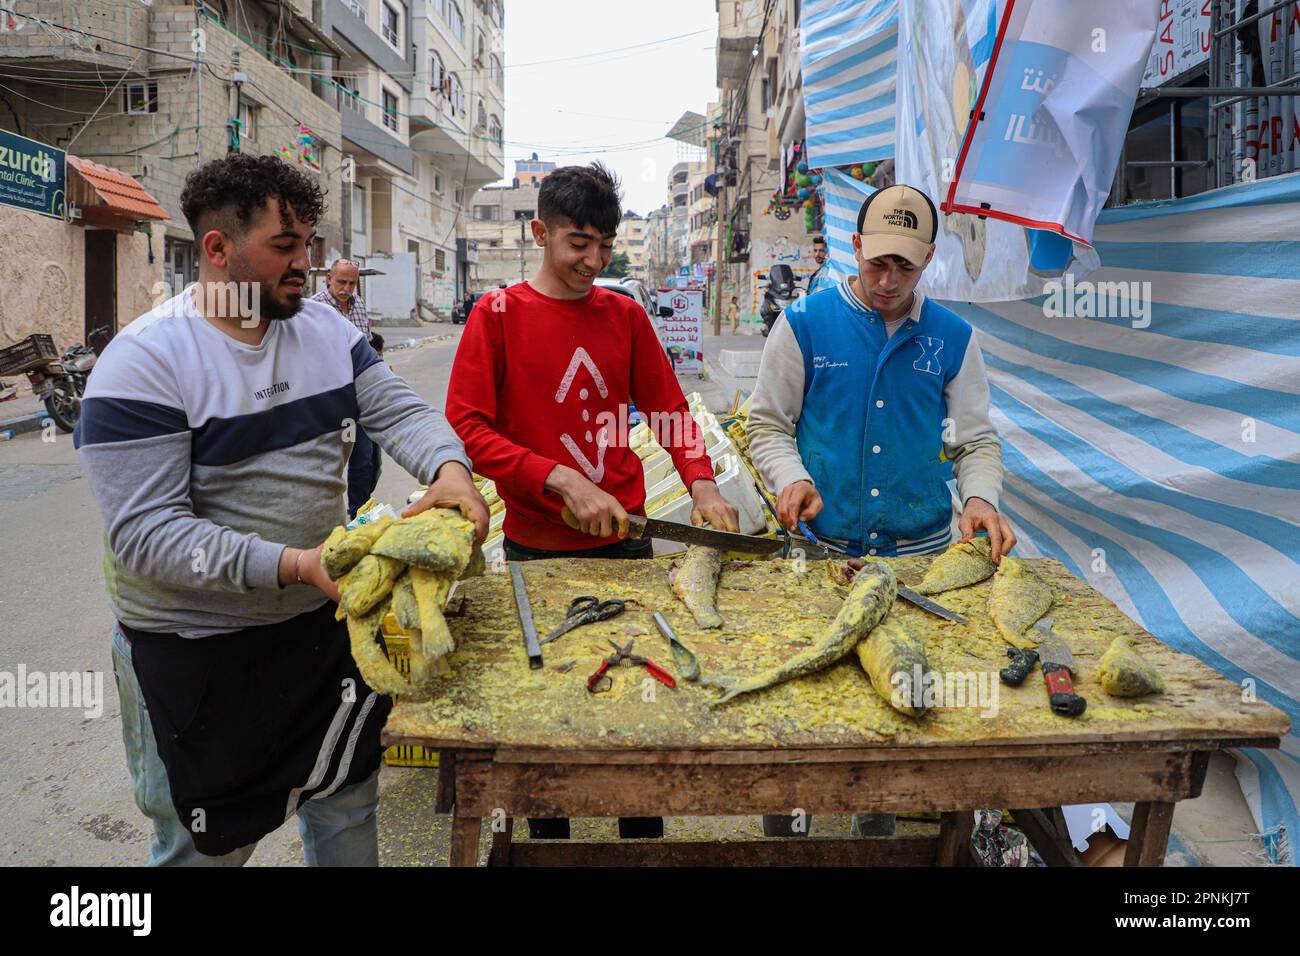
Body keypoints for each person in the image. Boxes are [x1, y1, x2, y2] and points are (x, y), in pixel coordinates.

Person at [74, 154, 489, 866]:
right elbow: (148, 536)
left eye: (310, 246)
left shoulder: (326, 332)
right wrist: (298, 564)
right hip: (196, 654)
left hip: (317, 629)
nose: (306, 264)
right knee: (205, 845)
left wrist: (451, 469)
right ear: (216, 249)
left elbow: (394, 407)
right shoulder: (144, 363)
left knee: (347, 798)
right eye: (285, 247)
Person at [446, 161, 740, 840]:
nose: (593, 259)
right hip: (536, 552)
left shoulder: (625, 316)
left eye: (604, 245)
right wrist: (556, 479)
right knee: (555, 716)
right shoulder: (496, 316)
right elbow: (468, 427)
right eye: (579, 243)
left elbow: (668, 410)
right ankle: (552, 844)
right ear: (539, 231)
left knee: (638, 709)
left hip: (628, 544)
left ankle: (643, 843)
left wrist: (701, 482)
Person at [748, 183, 1013, 840]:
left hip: (916, 561)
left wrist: (980, 497)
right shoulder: (805, 324)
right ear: (856, 248)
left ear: (927, 262)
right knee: (799, 706)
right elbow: (767, 426)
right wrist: (793, 478)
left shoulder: (954, 339)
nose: (890, 280)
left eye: (907, 267)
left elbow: (975, 439)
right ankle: (786, 840)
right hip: (819, 554)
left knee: (896, 712)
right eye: (878, 263)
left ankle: (877, 838)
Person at [313, 259, 377, 517]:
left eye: (352, 283)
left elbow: (368, 347)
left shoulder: (358, 304)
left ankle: (359, 514)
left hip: (359, 395)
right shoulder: (315, 307)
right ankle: (323, 518)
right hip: (328, 398)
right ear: (329, 278)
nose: (346, 288)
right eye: (341, 281)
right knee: (328, 462)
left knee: (366, 460)